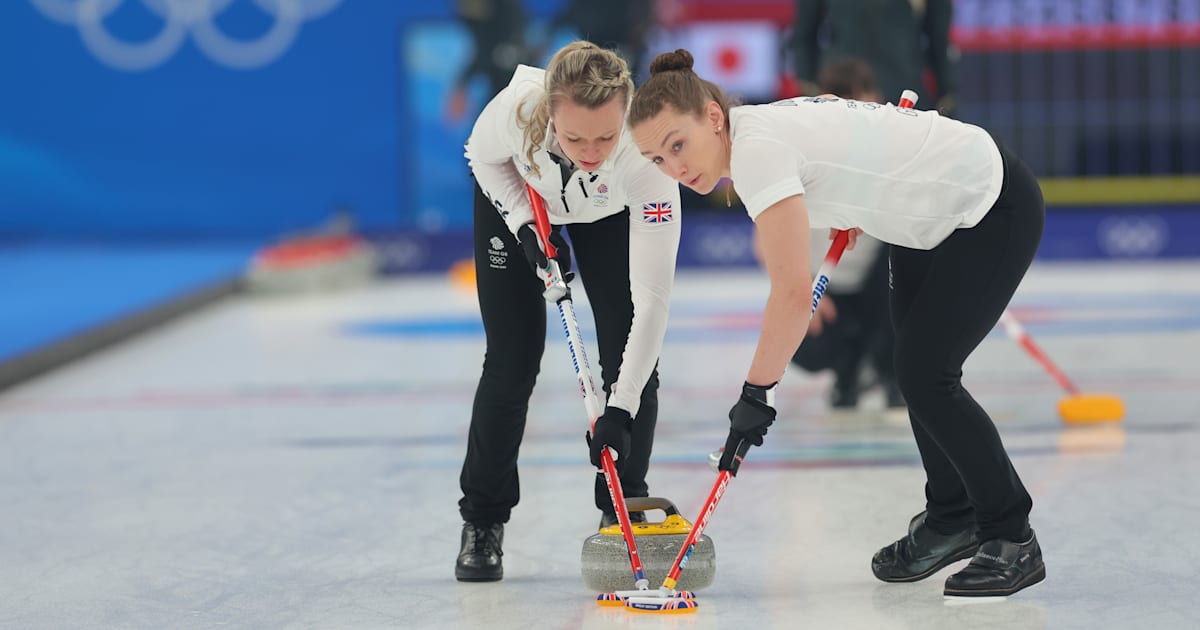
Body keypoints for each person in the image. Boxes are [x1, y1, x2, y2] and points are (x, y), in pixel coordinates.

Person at [628, 49, 1045, 598]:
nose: (675, 169)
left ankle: (1011, 532)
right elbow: (832, 116)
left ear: (712, 115)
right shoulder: (757, 128)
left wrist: (755, 394)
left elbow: (793, 294)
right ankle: (951, 516)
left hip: (987, 205)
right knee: (911, 368)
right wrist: (852, 192)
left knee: (925, 374)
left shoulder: (756, 152)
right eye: (657, 160)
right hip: (924, 223)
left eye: (677, 145)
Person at [456, 41, 682, 582]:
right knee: (512, 359)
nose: (591, 150)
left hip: (610, 211)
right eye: (575, 136)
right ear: (550, 114)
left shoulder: (648, 155)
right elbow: (481, 157)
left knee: (631, 354)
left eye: (606, 136)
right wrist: (521, 221)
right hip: (523, 200)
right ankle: (483, 520)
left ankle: (621, 503)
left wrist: (618, 413)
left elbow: (654, 301)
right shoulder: (516, 110)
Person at [783, 58, 903, 412]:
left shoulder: (898, 151)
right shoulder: (804, 156)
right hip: (827, 284)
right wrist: (800, 285)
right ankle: (850, 367)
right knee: (804, 341)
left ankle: (891, 369)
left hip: (880, 283)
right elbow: (767, 234)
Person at [788, 0, 957, 117]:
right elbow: (804, 35)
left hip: (902, 91)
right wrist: (810, 89)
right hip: (842, 90)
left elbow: (939, 41)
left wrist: (947, 96)